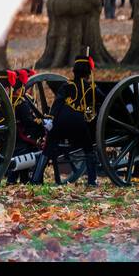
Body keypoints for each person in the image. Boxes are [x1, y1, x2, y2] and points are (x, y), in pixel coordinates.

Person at [36, 54, 98, 186]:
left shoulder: (66, 85)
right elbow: (93, 108)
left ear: (75, 70)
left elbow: (57, 104)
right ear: (88, 71)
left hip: (61, 123)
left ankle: (36, 178)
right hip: (79, 124)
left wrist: (51, 119)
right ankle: (92, 180)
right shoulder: (91, 88)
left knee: (48, 147)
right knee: (89, 149)